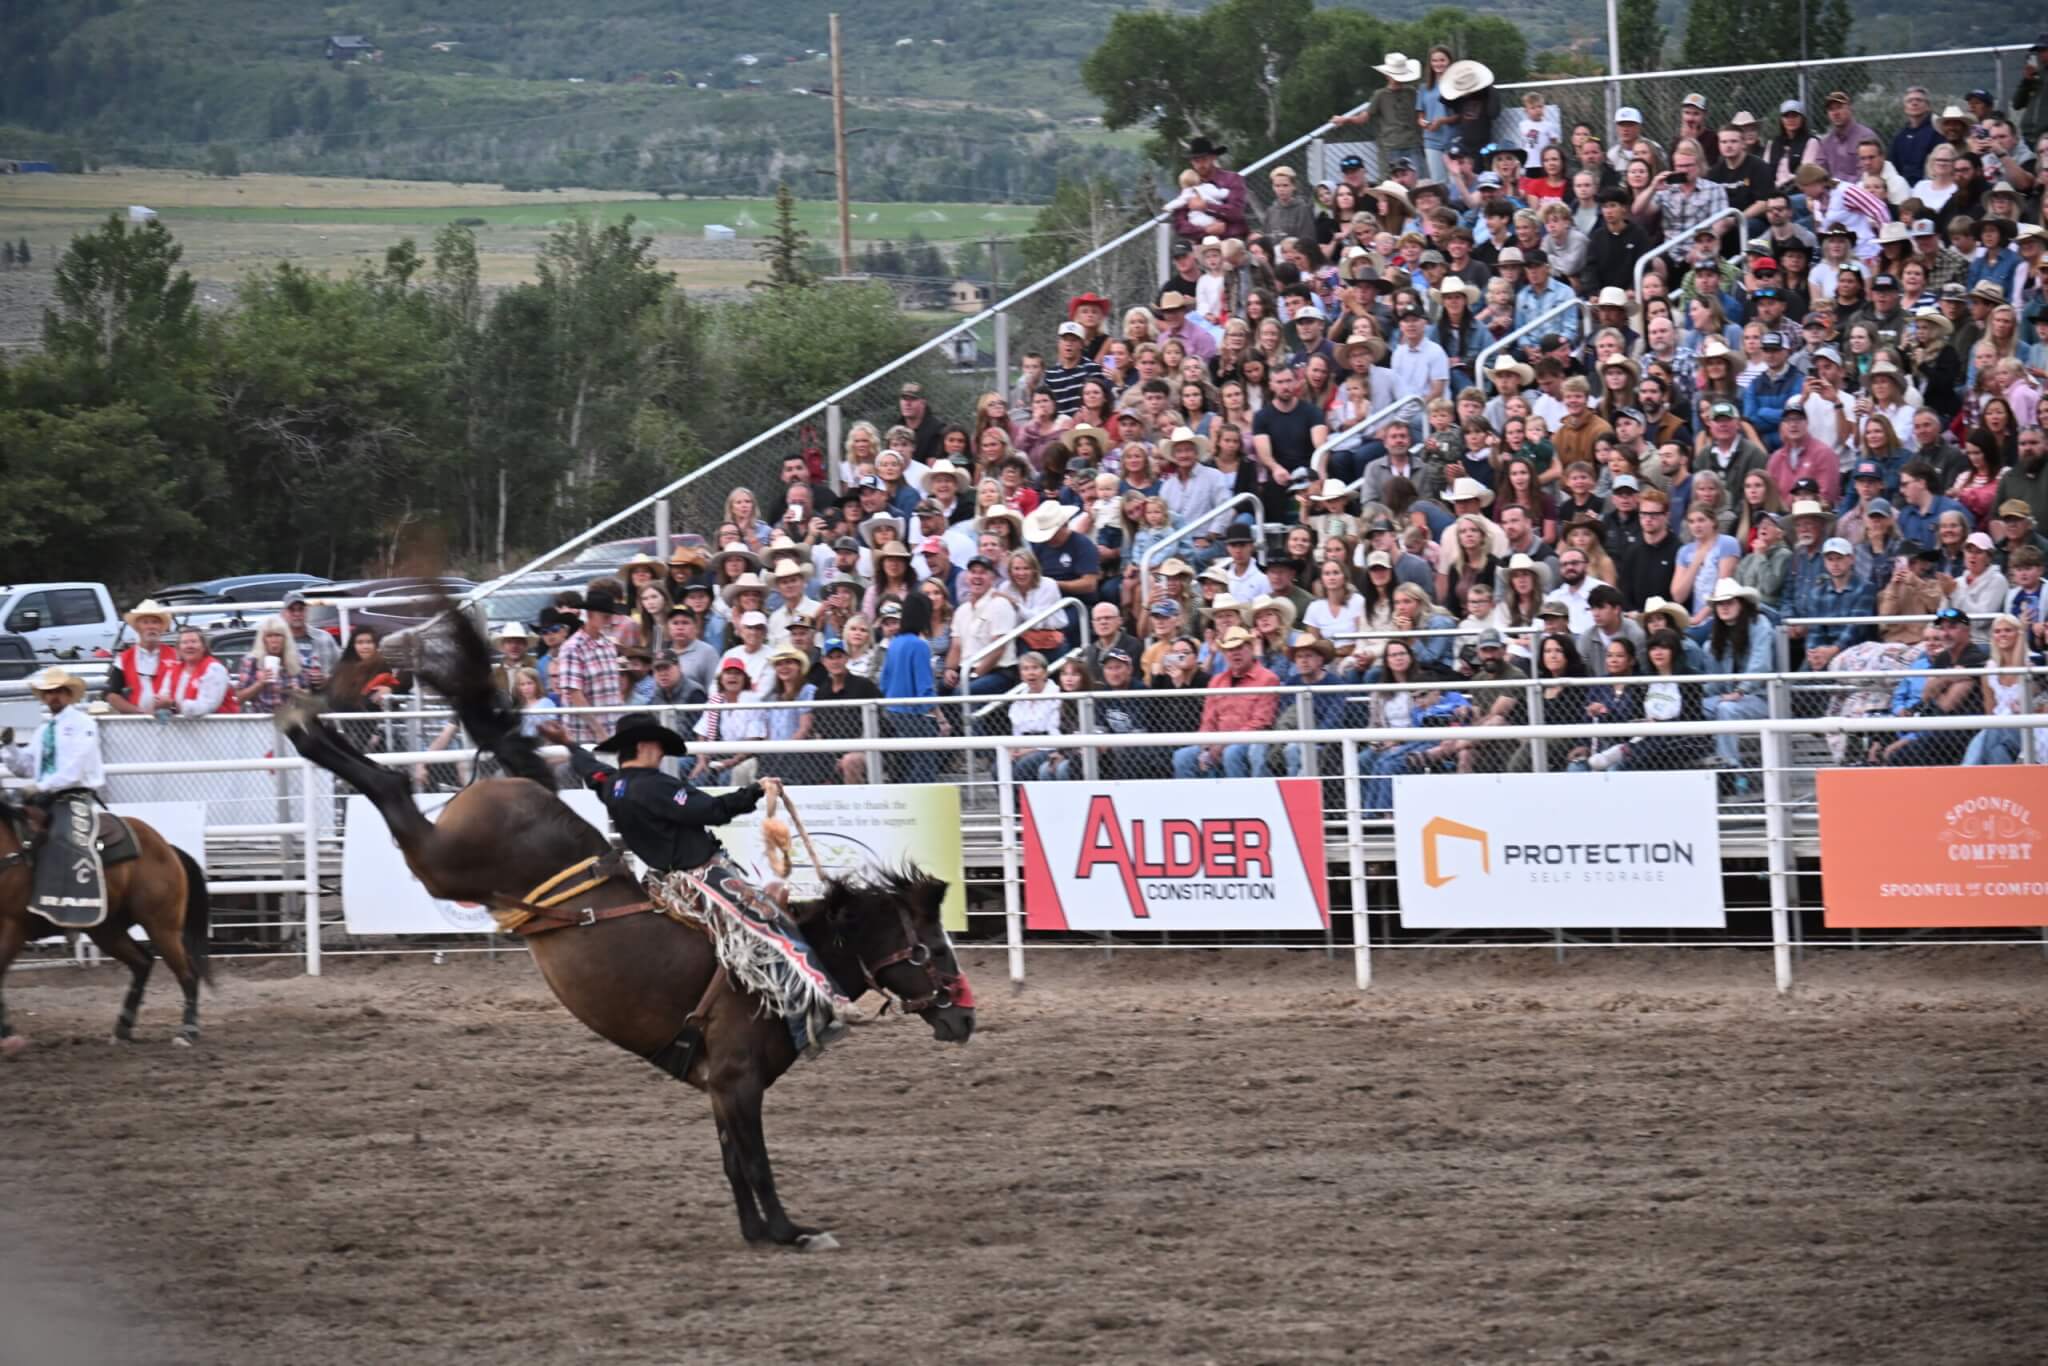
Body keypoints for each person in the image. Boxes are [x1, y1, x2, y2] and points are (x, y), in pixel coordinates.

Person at [539, 711, 849, 1055]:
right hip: (700, 875)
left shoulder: (613, 786)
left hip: (665, 879)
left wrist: (567, 743)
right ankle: (810, 1018)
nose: (660, 752)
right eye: (657, 745)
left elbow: (590, 770)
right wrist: (755, 790)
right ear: (644, 745)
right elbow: (712, 810)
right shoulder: (657, 787)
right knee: (767, 923)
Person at [1, 668, 107, 923]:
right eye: (49, 693)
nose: (53, 697)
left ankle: (72, 905)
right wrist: (10, 746)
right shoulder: (43, 731)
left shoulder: (84, 724)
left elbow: (76, 768)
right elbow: (25, 767)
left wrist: (42, 787)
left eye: (58, 691)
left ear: (69, 695)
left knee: (63, 837)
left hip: (74, 796)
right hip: (45, 798)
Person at [1171, 627, 1281, 778]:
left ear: (1250, 649)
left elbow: (1261, 722)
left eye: (1240, 647)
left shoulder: (1268, 678)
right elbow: (1208, 721)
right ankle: (1194, 801)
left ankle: (1240, 799)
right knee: (1182, 757)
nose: (1235, 653)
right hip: (1217, 742)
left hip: (1251, 741)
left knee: (1231, 753)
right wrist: (1206, 748)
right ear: (1224, 654)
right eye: (1230, 649)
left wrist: (1223, 745)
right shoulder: (1216, 681)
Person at [234, 615, 325, 714]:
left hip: (291, 720)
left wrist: (298, 692)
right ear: (263, 640)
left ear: (285, 639)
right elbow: (238, 698)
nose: (274, 640)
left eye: (278, 635)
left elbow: (310, 693)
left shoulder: (297, 660)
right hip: (262, 721)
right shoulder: (251, 661)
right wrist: (259, 683)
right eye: (269, 636)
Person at [103, 599, 178, 714]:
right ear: (137, 627)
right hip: (139, 724)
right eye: (146, 622)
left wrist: (172, 703)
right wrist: (139, 713)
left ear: (161, 627)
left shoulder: (176, 655)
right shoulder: (124, 658)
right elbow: (112, 694)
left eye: (155, 622)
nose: (151, 626)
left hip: (173, 721)